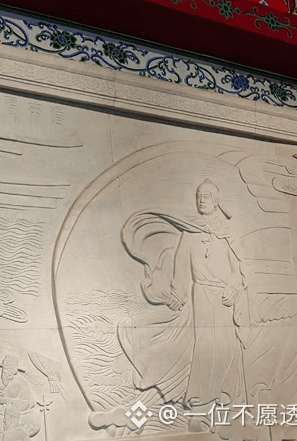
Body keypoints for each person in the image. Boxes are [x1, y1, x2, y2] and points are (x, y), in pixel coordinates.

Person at [118, 179, 248, 432]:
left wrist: (233, 288)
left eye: (207, 195)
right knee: (206, 347)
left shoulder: (228, 234)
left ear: (217, 201)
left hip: (224, 299)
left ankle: (224, 401)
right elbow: (181, 268)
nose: (202, 199)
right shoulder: (190, 233)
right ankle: (201, 405)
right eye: (199, 195)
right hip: (202, 294)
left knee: (227, 346)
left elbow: (239, 268)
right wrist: (178, 293)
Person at [0, 355, 39, 441]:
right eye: (4, 368)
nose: (5, 371)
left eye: (9, 368)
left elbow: (26, 403)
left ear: (14, 370)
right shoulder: (1, 381)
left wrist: (7, 401)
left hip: (17, 414)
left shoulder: (21, 383)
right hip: (2, 413)